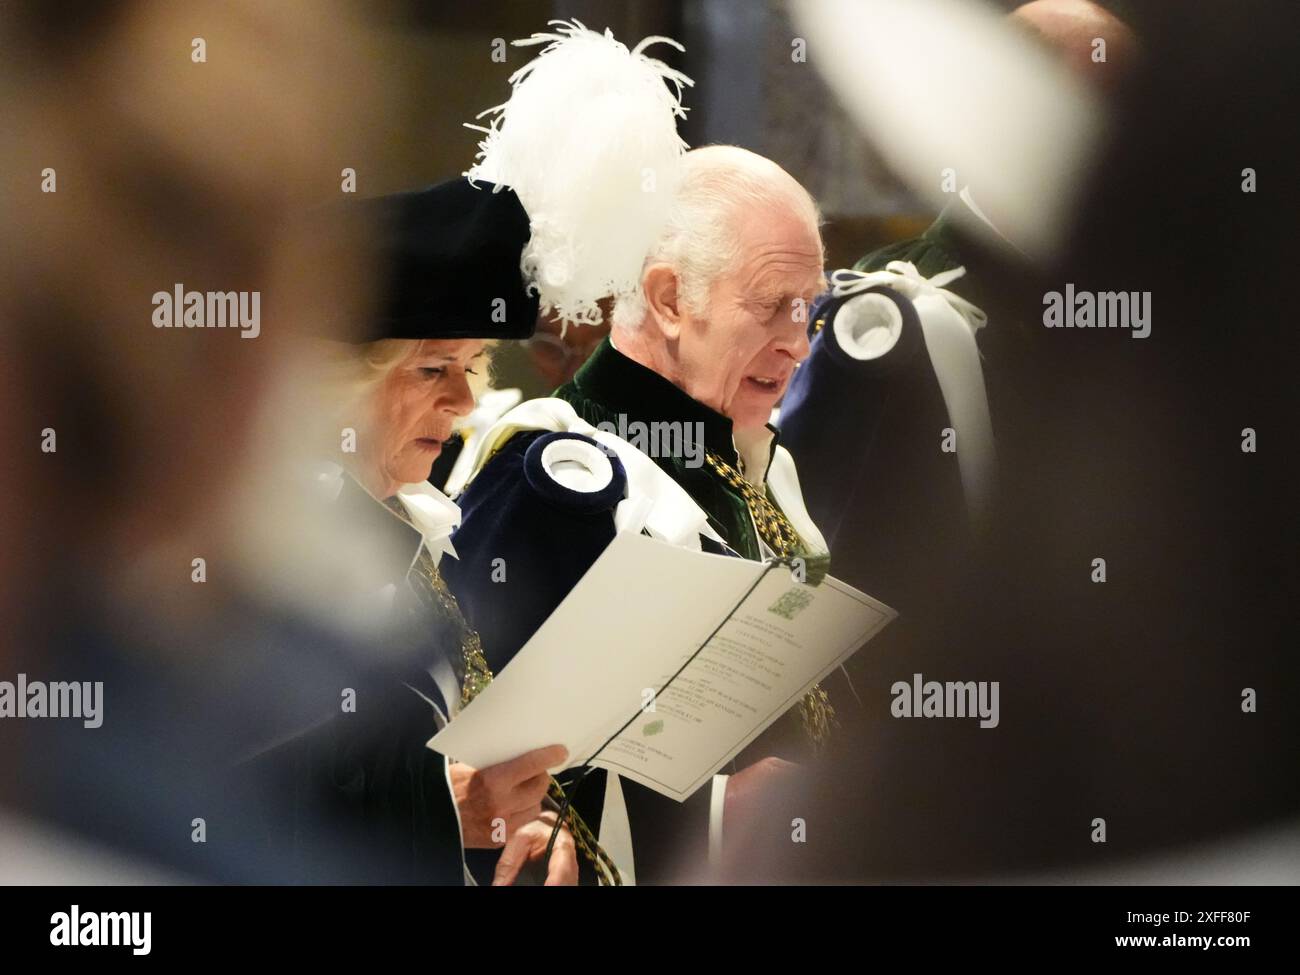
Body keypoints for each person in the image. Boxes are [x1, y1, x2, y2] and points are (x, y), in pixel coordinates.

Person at [443, 145, 840, 884]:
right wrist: (727, 817)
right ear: (666, 298)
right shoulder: (554, 477)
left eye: (808, 304)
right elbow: (493, 785)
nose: (798, 339)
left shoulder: (760, 460)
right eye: (770, 302)